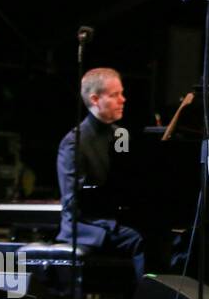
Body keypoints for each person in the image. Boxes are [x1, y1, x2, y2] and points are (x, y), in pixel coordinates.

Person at [56, 68, 146, 281]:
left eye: (122, 93)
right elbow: (72, 202)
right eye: (115, 95)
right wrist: (112, 222)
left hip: (111, 218)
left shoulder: (120, 135)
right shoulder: (74, 142)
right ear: (95, 99)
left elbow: (127, 177)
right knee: (138, 239)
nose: (123, 100)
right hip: (86, 226)